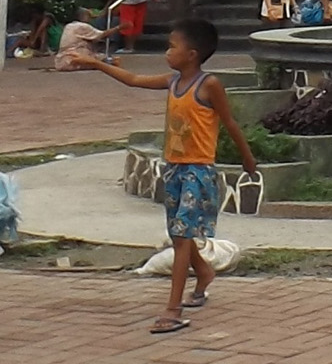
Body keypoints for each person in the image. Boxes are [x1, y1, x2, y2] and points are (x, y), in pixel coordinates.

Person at [65, 17, 258, 333]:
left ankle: (172, 309)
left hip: (198, 171)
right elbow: (133, 79)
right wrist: (95, 64)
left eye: (172, 46)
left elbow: (231, 123)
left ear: (192, 53)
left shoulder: (208, 85)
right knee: (177, 233)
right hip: (174, 169)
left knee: (182, 238)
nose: (167, 52)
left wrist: (248, 161)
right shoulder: (172, 82)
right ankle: (204, 273)